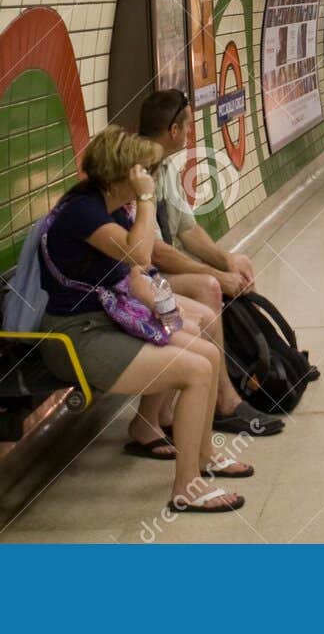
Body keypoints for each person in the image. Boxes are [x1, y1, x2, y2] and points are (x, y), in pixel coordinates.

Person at [37, 127, 254, 513]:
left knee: (208, 354)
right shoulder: (83, 213)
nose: (151, 177)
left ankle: (202, 457)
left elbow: (134, 276)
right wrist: (147, 199)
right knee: (195, 371)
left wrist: (169, 314)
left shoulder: (111, 208)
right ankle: (187, 486)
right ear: (123, 172)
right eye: (145, 170)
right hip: (77, 336)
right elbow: (140, 256)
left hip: (106, 322)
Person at [136, 89, 283, 436]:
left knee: (217, 281)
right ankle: (225, 402)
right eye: (186, 126)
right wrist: (217, 274)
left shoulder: (164, 166)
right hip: (135, 277)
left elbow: (186, 230)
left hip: (152, 272)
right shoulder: (139, 169)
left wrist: (228, 261)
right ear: (173, 130)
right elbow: (154, 251)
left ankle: (182, 407)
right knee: (208, 288)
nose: (190, 134)